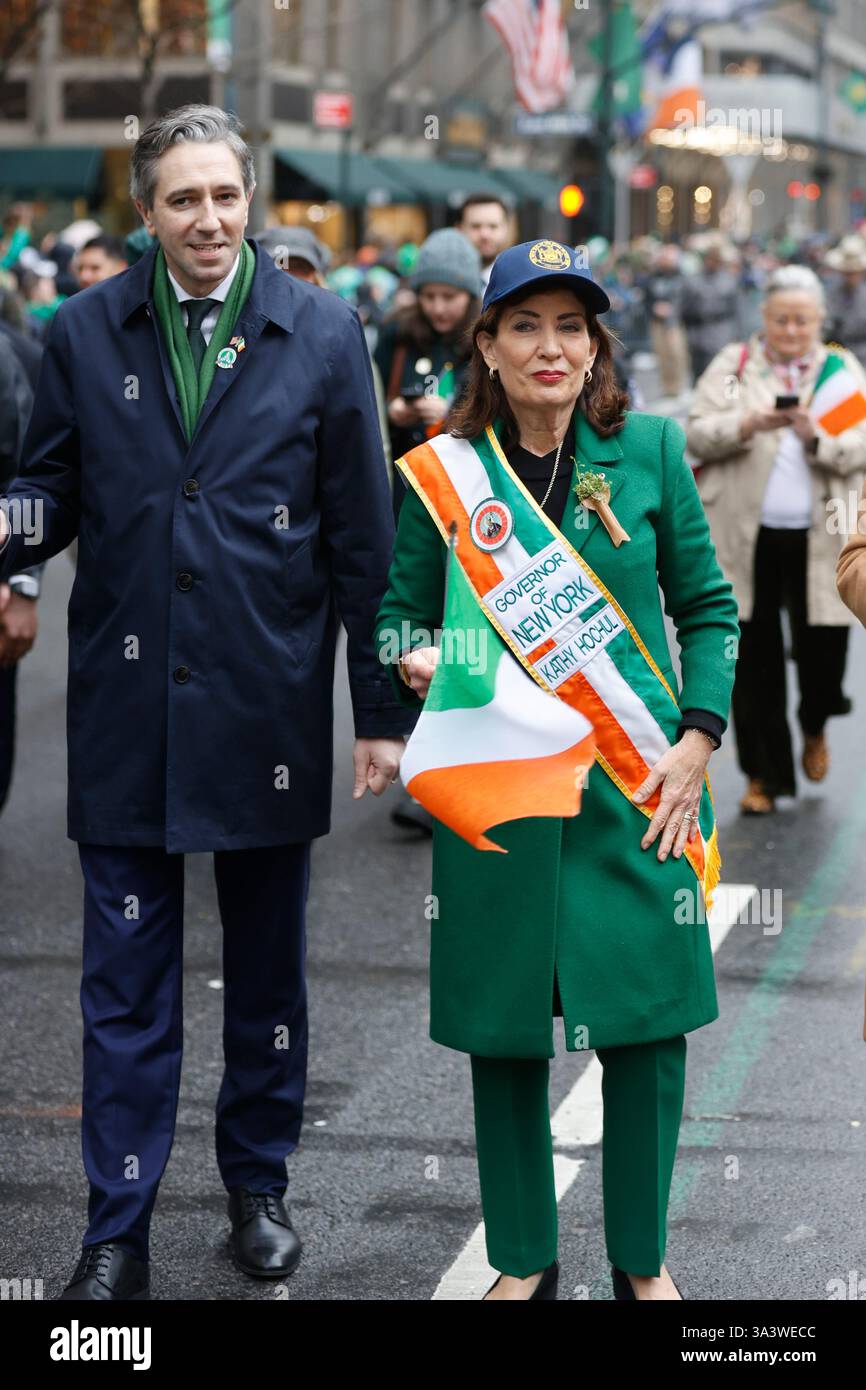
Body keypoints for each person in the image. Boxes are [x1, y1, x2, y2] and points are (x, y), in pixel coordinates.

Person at [0, 102, 411, 1301]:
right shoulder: (82, 331)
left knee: (267, 970)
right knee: (124, 984)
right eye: (182, 198)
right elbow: (45, 488)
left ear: (251, 199)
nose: (208, 218)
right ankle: (113, 1228)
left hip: (264, 707)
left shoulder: (324, 331)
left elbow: (362, 537)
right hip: (127, 711)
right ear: (146, 210)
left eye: (225, 196)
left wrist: (378, 709)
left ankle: (258, 1186)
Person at [375, 239, 739, 1300]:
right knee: (502, 1028)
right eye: (523, 324)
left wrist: (695, 738)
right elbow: (398, 611)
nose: (549, 346)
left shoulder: (651, 452)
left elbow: (707, 609)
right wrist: (418, 657)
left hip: (638, 782)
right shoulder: (445, 474)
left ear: (594, 348)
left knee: (644, 1021)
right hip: (499, 793)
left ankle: (641, 1259)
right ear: (483, 343)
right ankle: (522, 1259)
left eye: (570, 326)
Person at [686, 264, 866, 813]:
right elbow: (695, 429)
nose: (791, 331)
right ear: (763, 317)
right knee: (752, 657)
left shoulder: (840, 369)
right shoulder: (735, 365)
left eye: (803, 321)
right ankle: (762, 776)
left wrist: (819, 439)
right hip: (746, 538)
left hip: (823, 539)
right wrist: (748, 424)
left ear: (819, 321)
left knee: (822, 658)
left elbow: (861, 443)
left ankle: (814, 724)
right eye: (782, 319)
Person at [679, 237, 740, 382]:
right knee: (698, 371)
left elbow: (737, 310)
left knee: (722, 369)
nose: (712, 262)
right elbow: (683, 307)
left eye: (715, 259)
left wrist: (737, 335)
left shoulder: (729, 281)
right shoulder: (692, 280)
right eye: (709, 258)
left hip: (721, 329)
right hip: (698, 331)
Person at [823, 234, 866, 368]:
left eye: (854, 272)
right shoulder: (831, 294)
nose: (851, 276)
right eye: (847, 272)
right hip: (839, 358)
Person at [455, 193, 512, 293]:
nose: (485, 234)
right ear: (459, 229)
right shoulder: (444, 281)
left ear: (506, 229)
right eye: (475, 226)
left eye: (493, 226)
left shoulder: (515, 282)